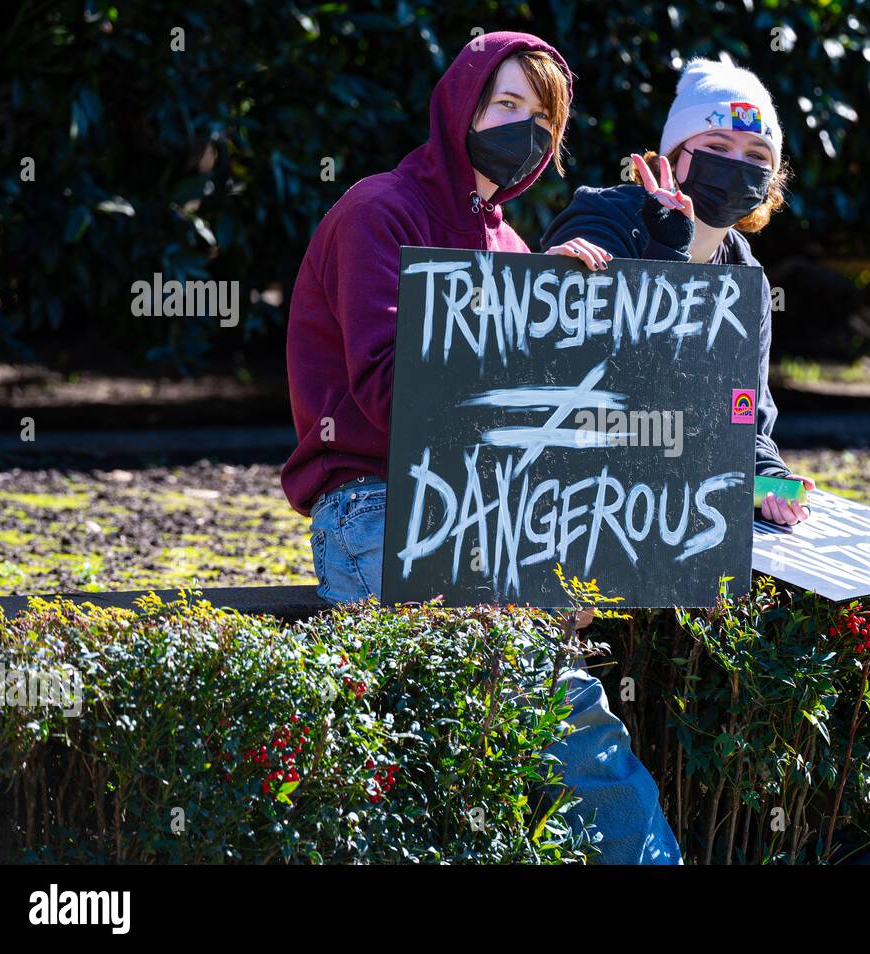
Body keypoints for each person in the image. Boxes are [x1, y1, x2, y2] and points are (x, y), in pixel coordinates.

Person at [281, 32, 678, 865]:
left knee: (556, 727)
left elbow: (540, 423)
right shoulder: (378, 212)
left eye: (543, 118)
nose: (523, 129)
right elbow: (392, 393)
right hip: (378, 500)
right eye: (504, 105)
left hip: (485, 515)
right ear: (460, 105)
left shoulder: (506, 243)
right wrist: (521, 307)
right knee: (530, 716)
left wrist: (557, 555)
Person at [542, 57, 814, 525]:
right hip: (571, 495)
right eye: (718, 145)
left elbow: (743, 413)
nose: (736, 164)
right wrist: (665, 255)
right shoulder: (601, 221)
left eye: (756, 156)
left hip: (670, 508)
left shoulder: (746, 275)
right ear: (674, 156)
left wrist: (767, 476)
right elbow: (595, 378)